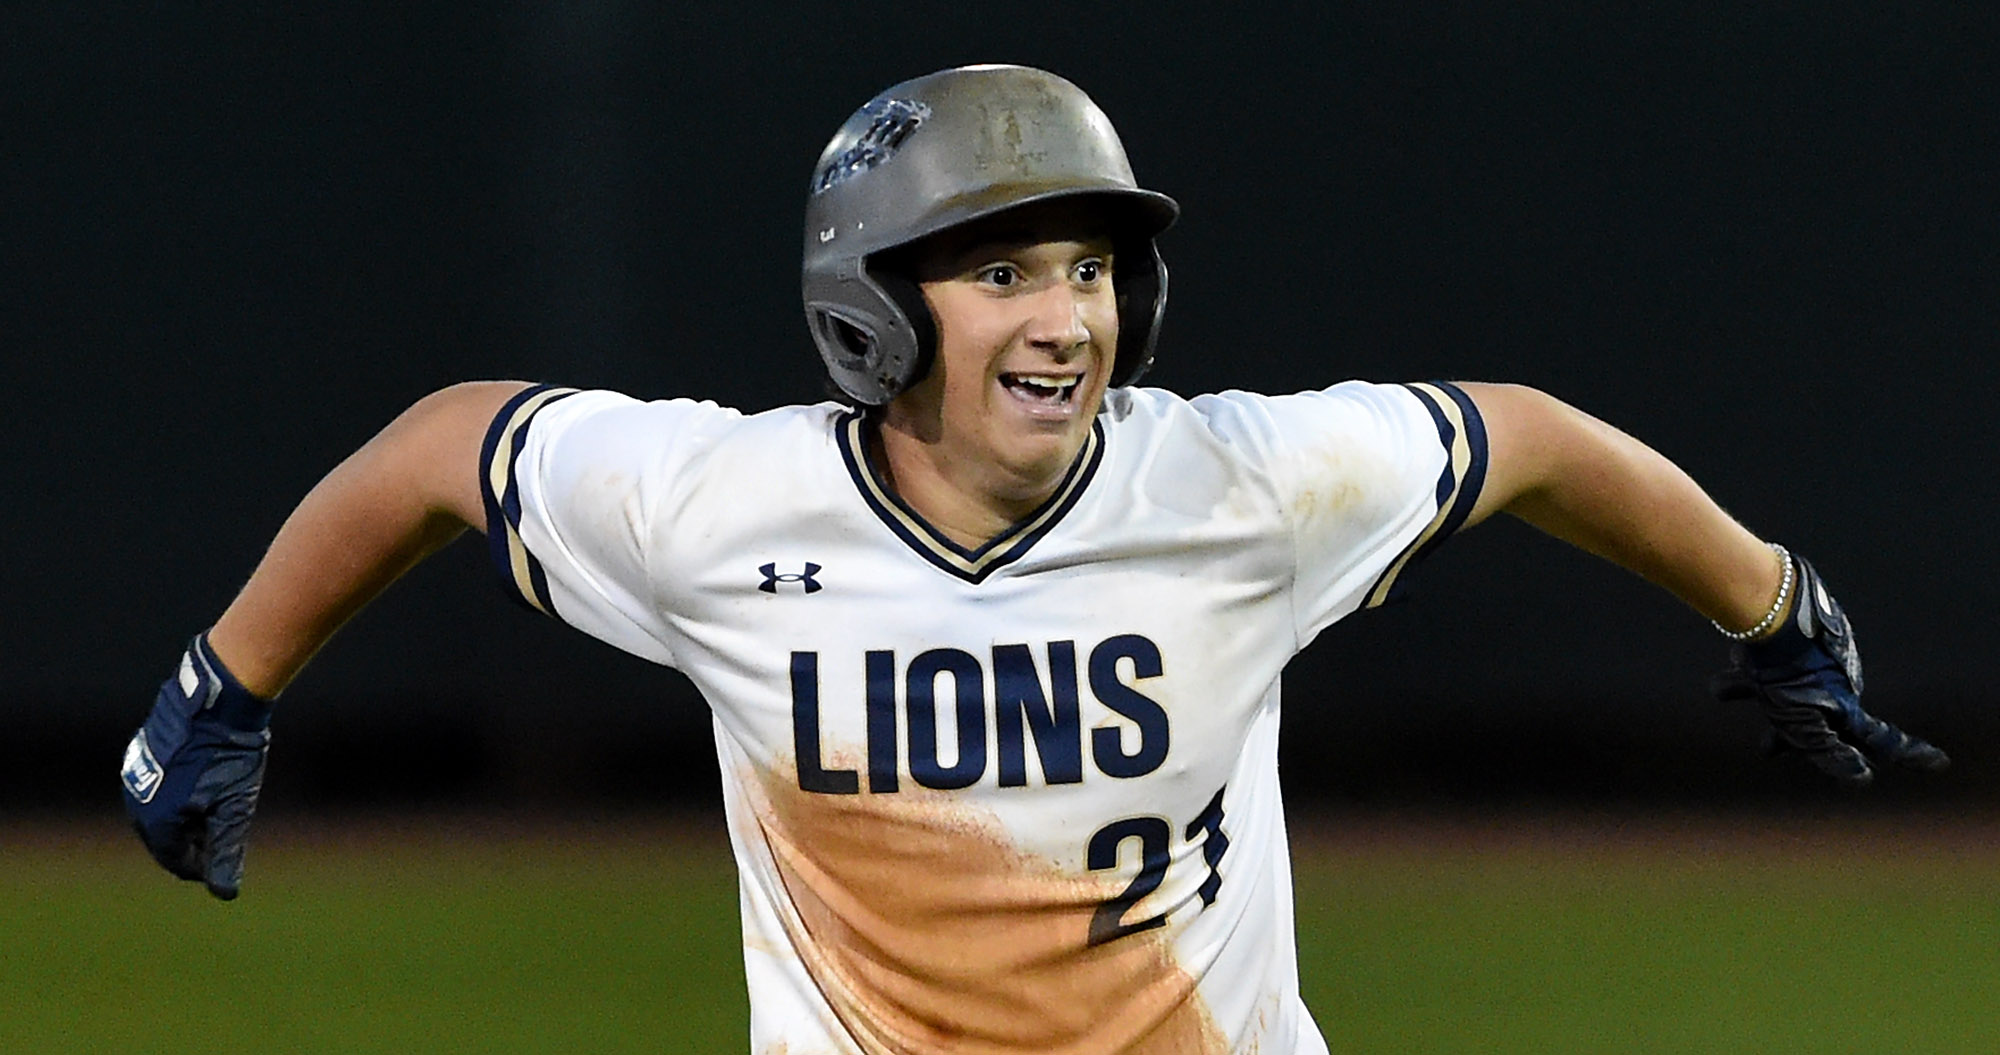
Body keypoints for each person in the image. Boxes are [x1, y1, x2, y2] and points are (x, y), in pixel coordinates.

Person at [120, 64, 1945, 1054]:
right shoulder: (720, 510)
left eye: (1086, 267)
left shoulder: (1233, 483)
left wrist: (1769, 600)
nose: (1062, 314)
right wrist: (225, 685)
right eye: (1001, 271)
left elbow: (1525, 437)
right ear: (872, 305)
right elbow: (450, 441)